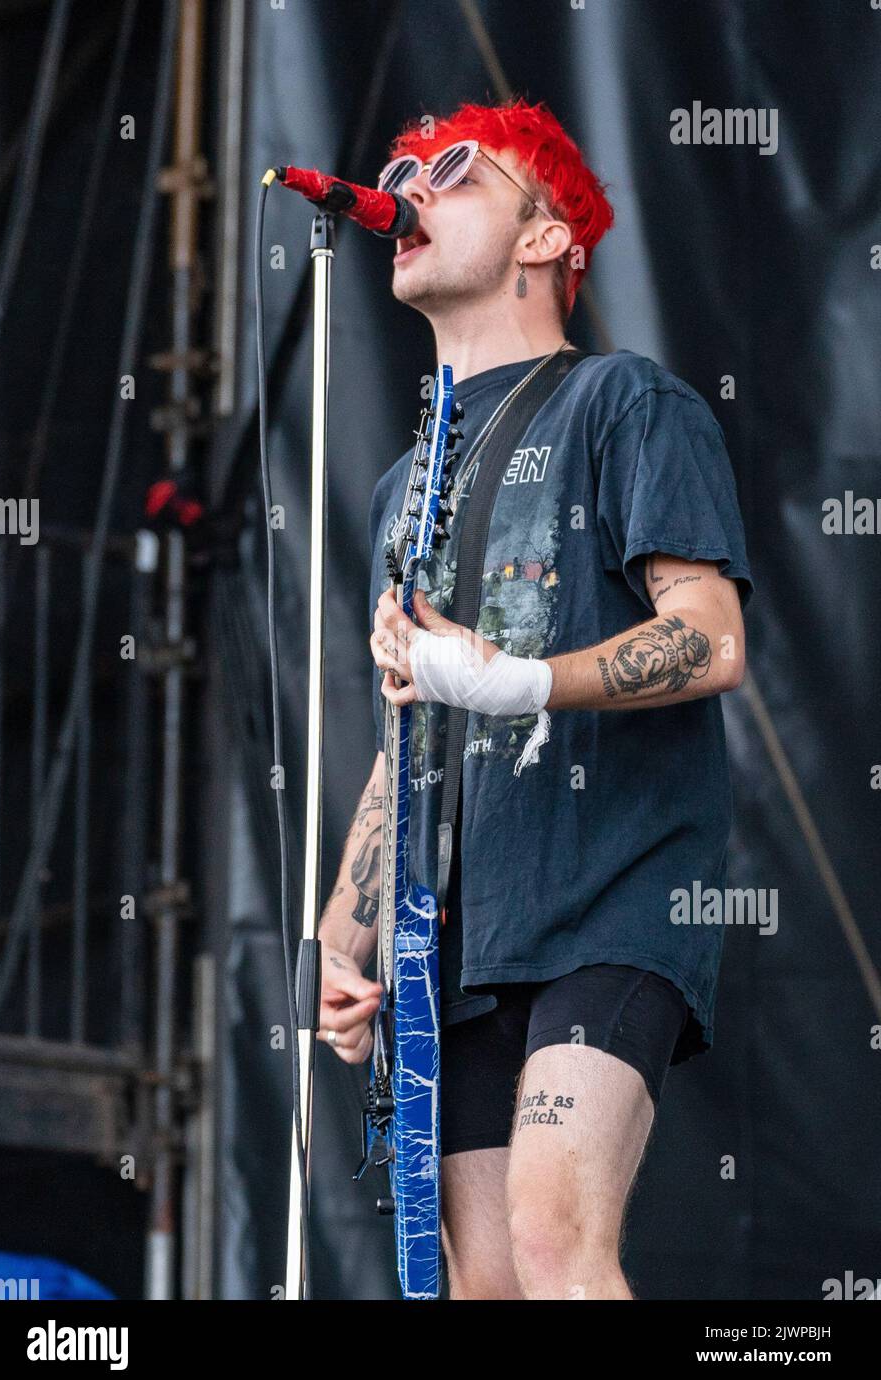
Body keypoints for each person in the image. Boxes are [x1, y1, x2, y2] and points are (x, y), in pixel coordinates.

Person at [316, 98, 753, 1300]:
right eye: (401, 166)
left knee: (557, 1234)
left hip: (610, 895)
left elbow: (709, 640)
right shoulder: (402, 488)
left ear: (546, 236)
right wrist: (337, 939)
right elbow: (410, 730)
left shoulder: (625, 403)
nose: (409, 184)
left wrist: (522, 679)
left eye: (453, 169)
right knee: (491, 1281)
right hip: (457, 931)